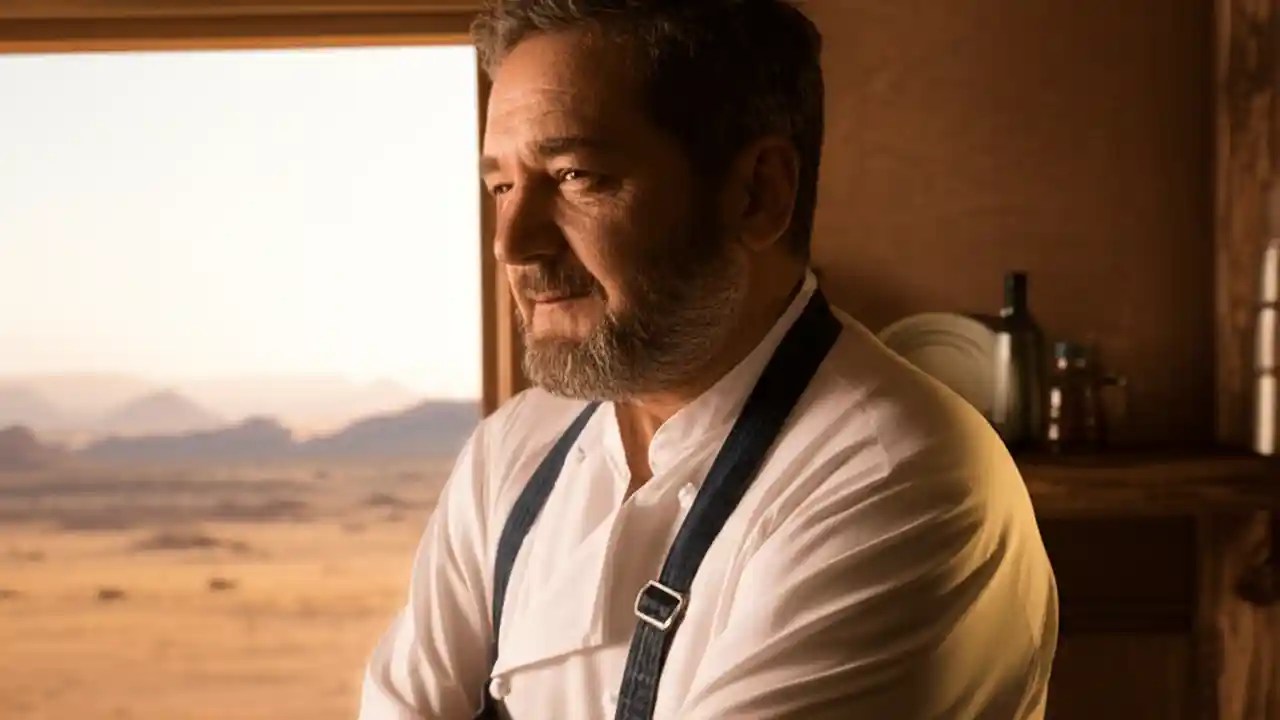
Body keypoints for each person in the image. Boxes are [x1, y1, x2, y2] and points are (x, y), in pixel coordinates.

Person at [359, 1, 1058, 718]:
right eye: (502, 185)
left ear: (758, 194)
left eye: (576, 176)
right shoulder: (514, 450)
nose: (512, 244)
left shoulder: (898, 477)